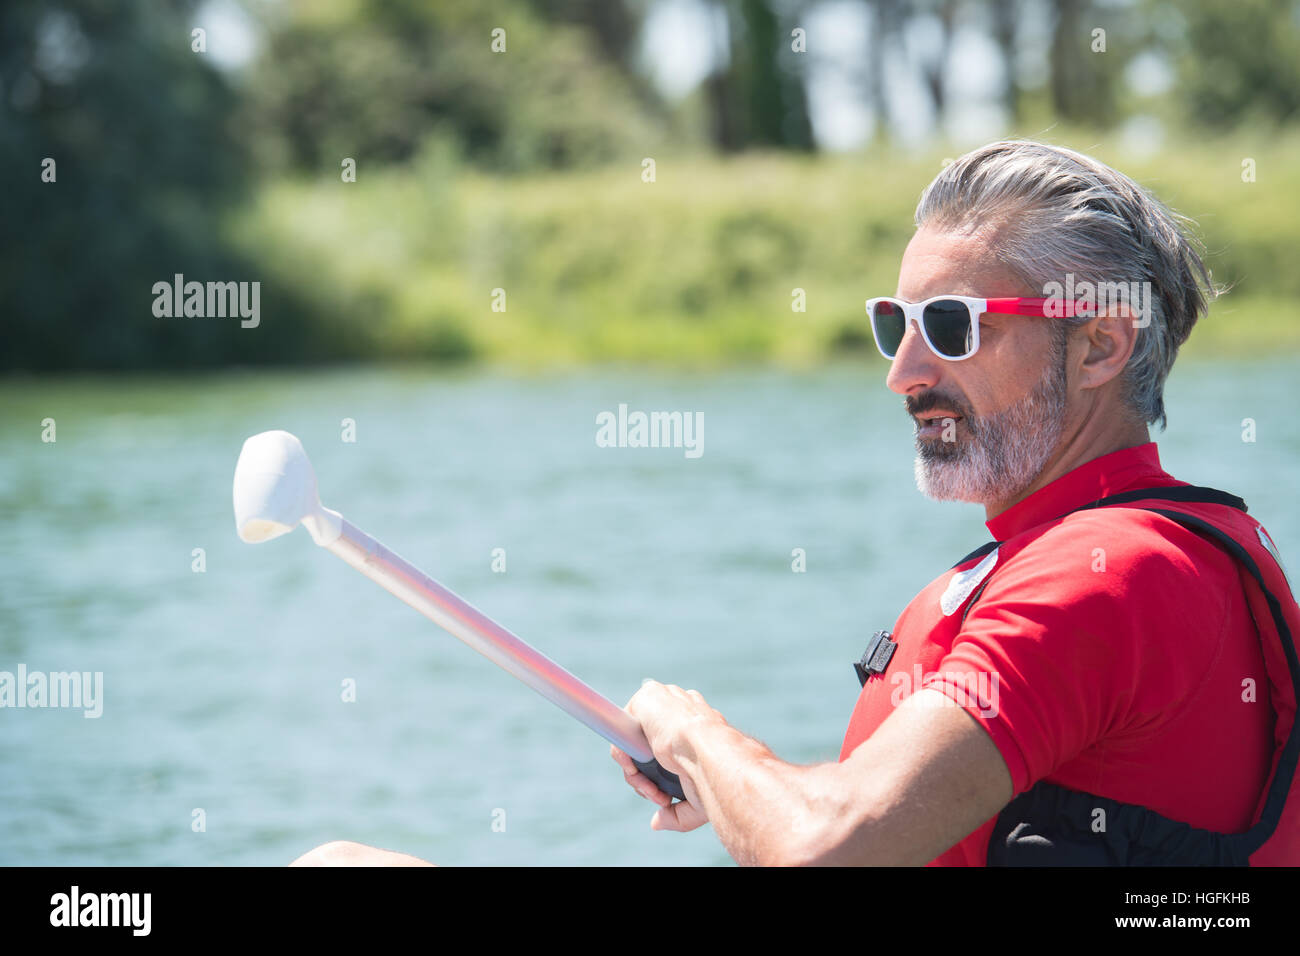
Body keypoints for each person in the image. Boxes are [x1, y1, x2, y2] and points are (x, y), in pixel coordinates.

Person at [292, 140, 1300, 866]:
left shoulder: (1105, 574)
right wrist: (742, 788)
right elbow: (885, 815)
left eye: (950, 325)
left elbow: (826, 849)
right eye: (893, 323)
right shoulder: (1114, 551)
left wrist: (699, 737)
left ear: (1097, 344)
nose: (904, 370)